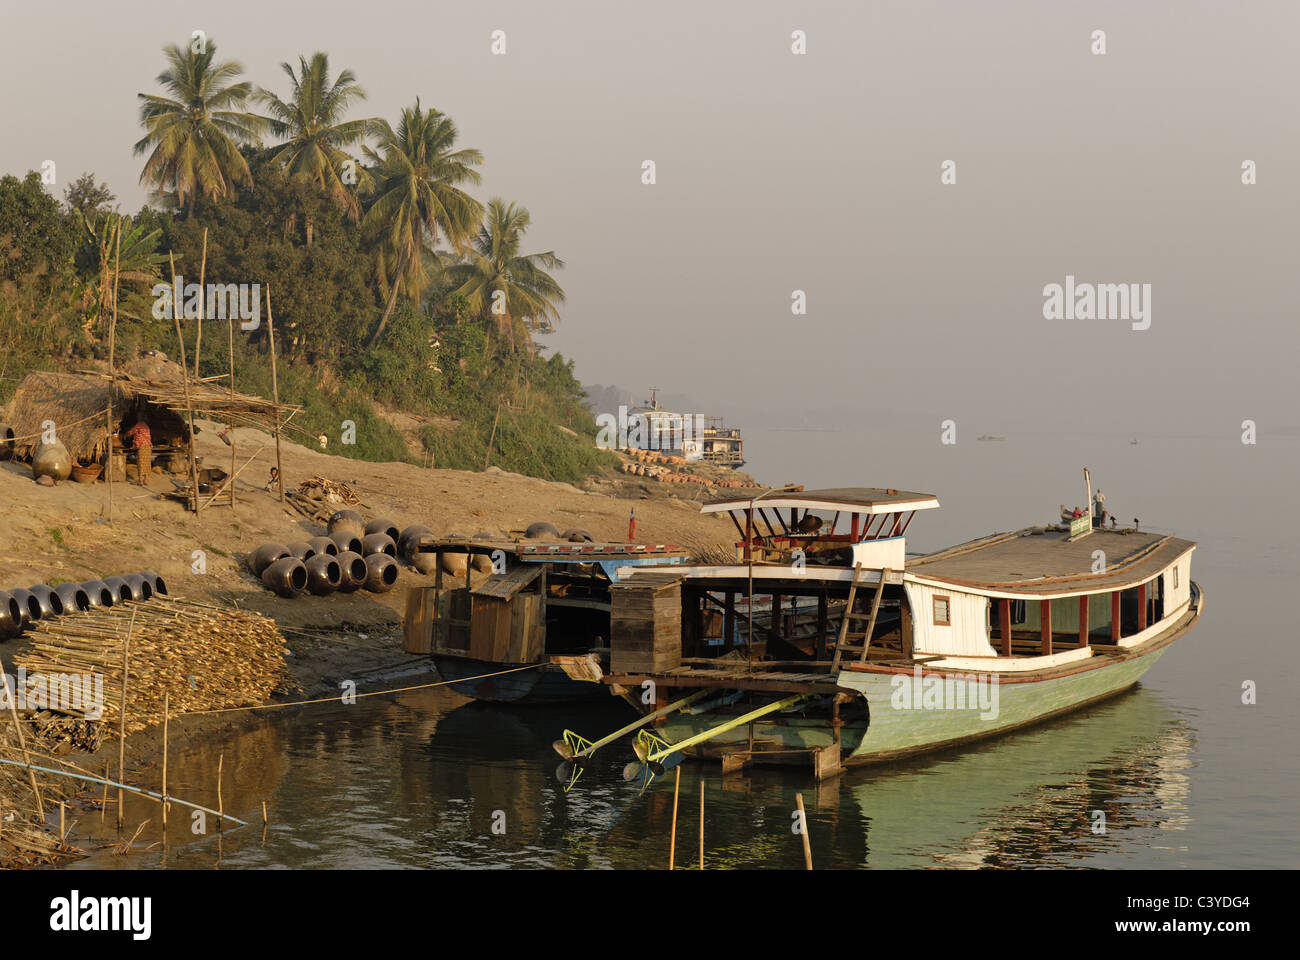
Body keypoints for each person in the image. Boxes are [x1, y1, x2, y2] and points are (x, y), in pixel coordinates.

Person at [123, 418, 152, 486]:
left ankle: (140, 481)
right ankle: (146, 480)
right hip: (148, 446)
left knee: (140, 463)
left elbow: (131, 432)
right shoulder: (146, 425)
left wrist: (125, 435)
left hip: (142, 446)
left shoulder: (139, 424)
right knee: (147, 463)